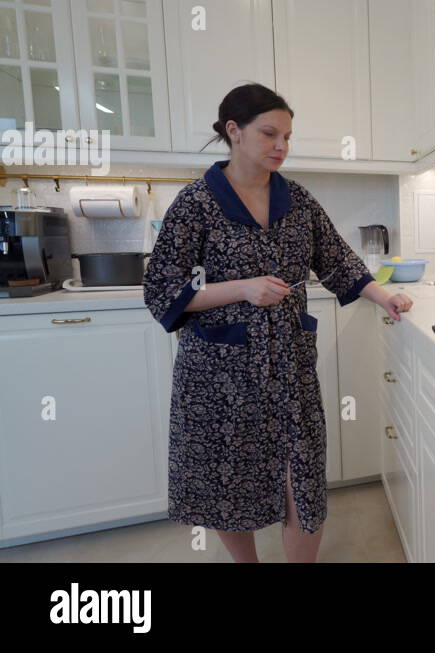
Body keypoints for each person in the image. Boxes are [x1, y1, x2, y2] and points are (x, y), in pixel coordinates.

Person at [142, 83, 412, 563]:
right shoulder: (195, 203)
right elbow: (161, 289)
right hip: (218, 370)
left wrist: (384, 297)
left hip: (289, 364)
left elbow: (339, 261)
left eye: (287, 136)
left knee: (302, 475)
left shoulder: (299, 201)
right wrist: (242, 287)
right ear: (234, 131)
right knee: (227, 475)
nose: (281, 146)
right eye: (269, 134)